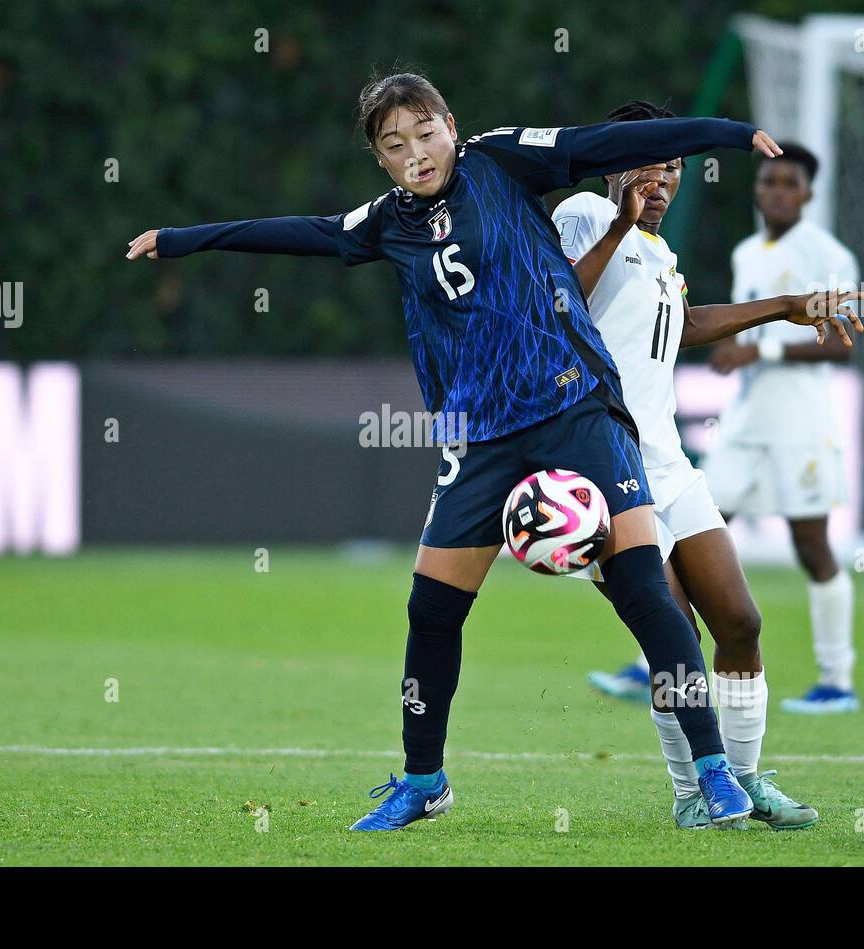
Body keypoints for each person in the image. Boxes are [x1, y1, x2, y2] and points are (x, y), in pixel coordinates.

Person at [126, 71, 787, 830]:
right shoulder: (385, 222)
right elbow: (298, 232)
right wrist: (182, 241)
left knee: (644, 588)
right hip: (479, 435)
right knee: (431, 611)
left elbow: (610, 144)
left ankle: (713, 774)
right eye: (393, 144)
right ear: (380, 158)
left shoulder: (502, 161)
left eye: (424, 133)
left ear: (450, 124)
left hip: (576, 406)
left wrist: (726, 134)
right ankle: (423, 781)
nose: (414, 154)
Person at [553, 101, 863, 828]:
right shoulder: (582, 215)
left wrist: (781, 307)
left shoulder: (661, 254)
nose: (660, 182)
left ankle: (746, 781)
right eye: (647, 167)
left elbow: (681, 326)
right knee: (675, 637)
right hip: (604, 467)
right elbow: (563, 301)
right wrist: (624, 219)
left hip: (670, 462)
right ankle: (693, 793)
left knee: (742, 622)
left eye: (673, 170)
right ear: (614, 163)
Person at [703, 143, 863, 715]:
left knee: (811, 546)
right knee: (694, 533)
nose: (775, 191)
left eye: (788, 183)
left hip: (801, 424)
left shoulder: (829, 255)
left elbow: (843, 347)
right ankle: (667, 662)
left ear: (808, 193)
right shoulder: (748, 251)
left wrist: (758, 349)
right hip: (746, 422)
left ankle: (836, 680)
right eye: (768, 181)